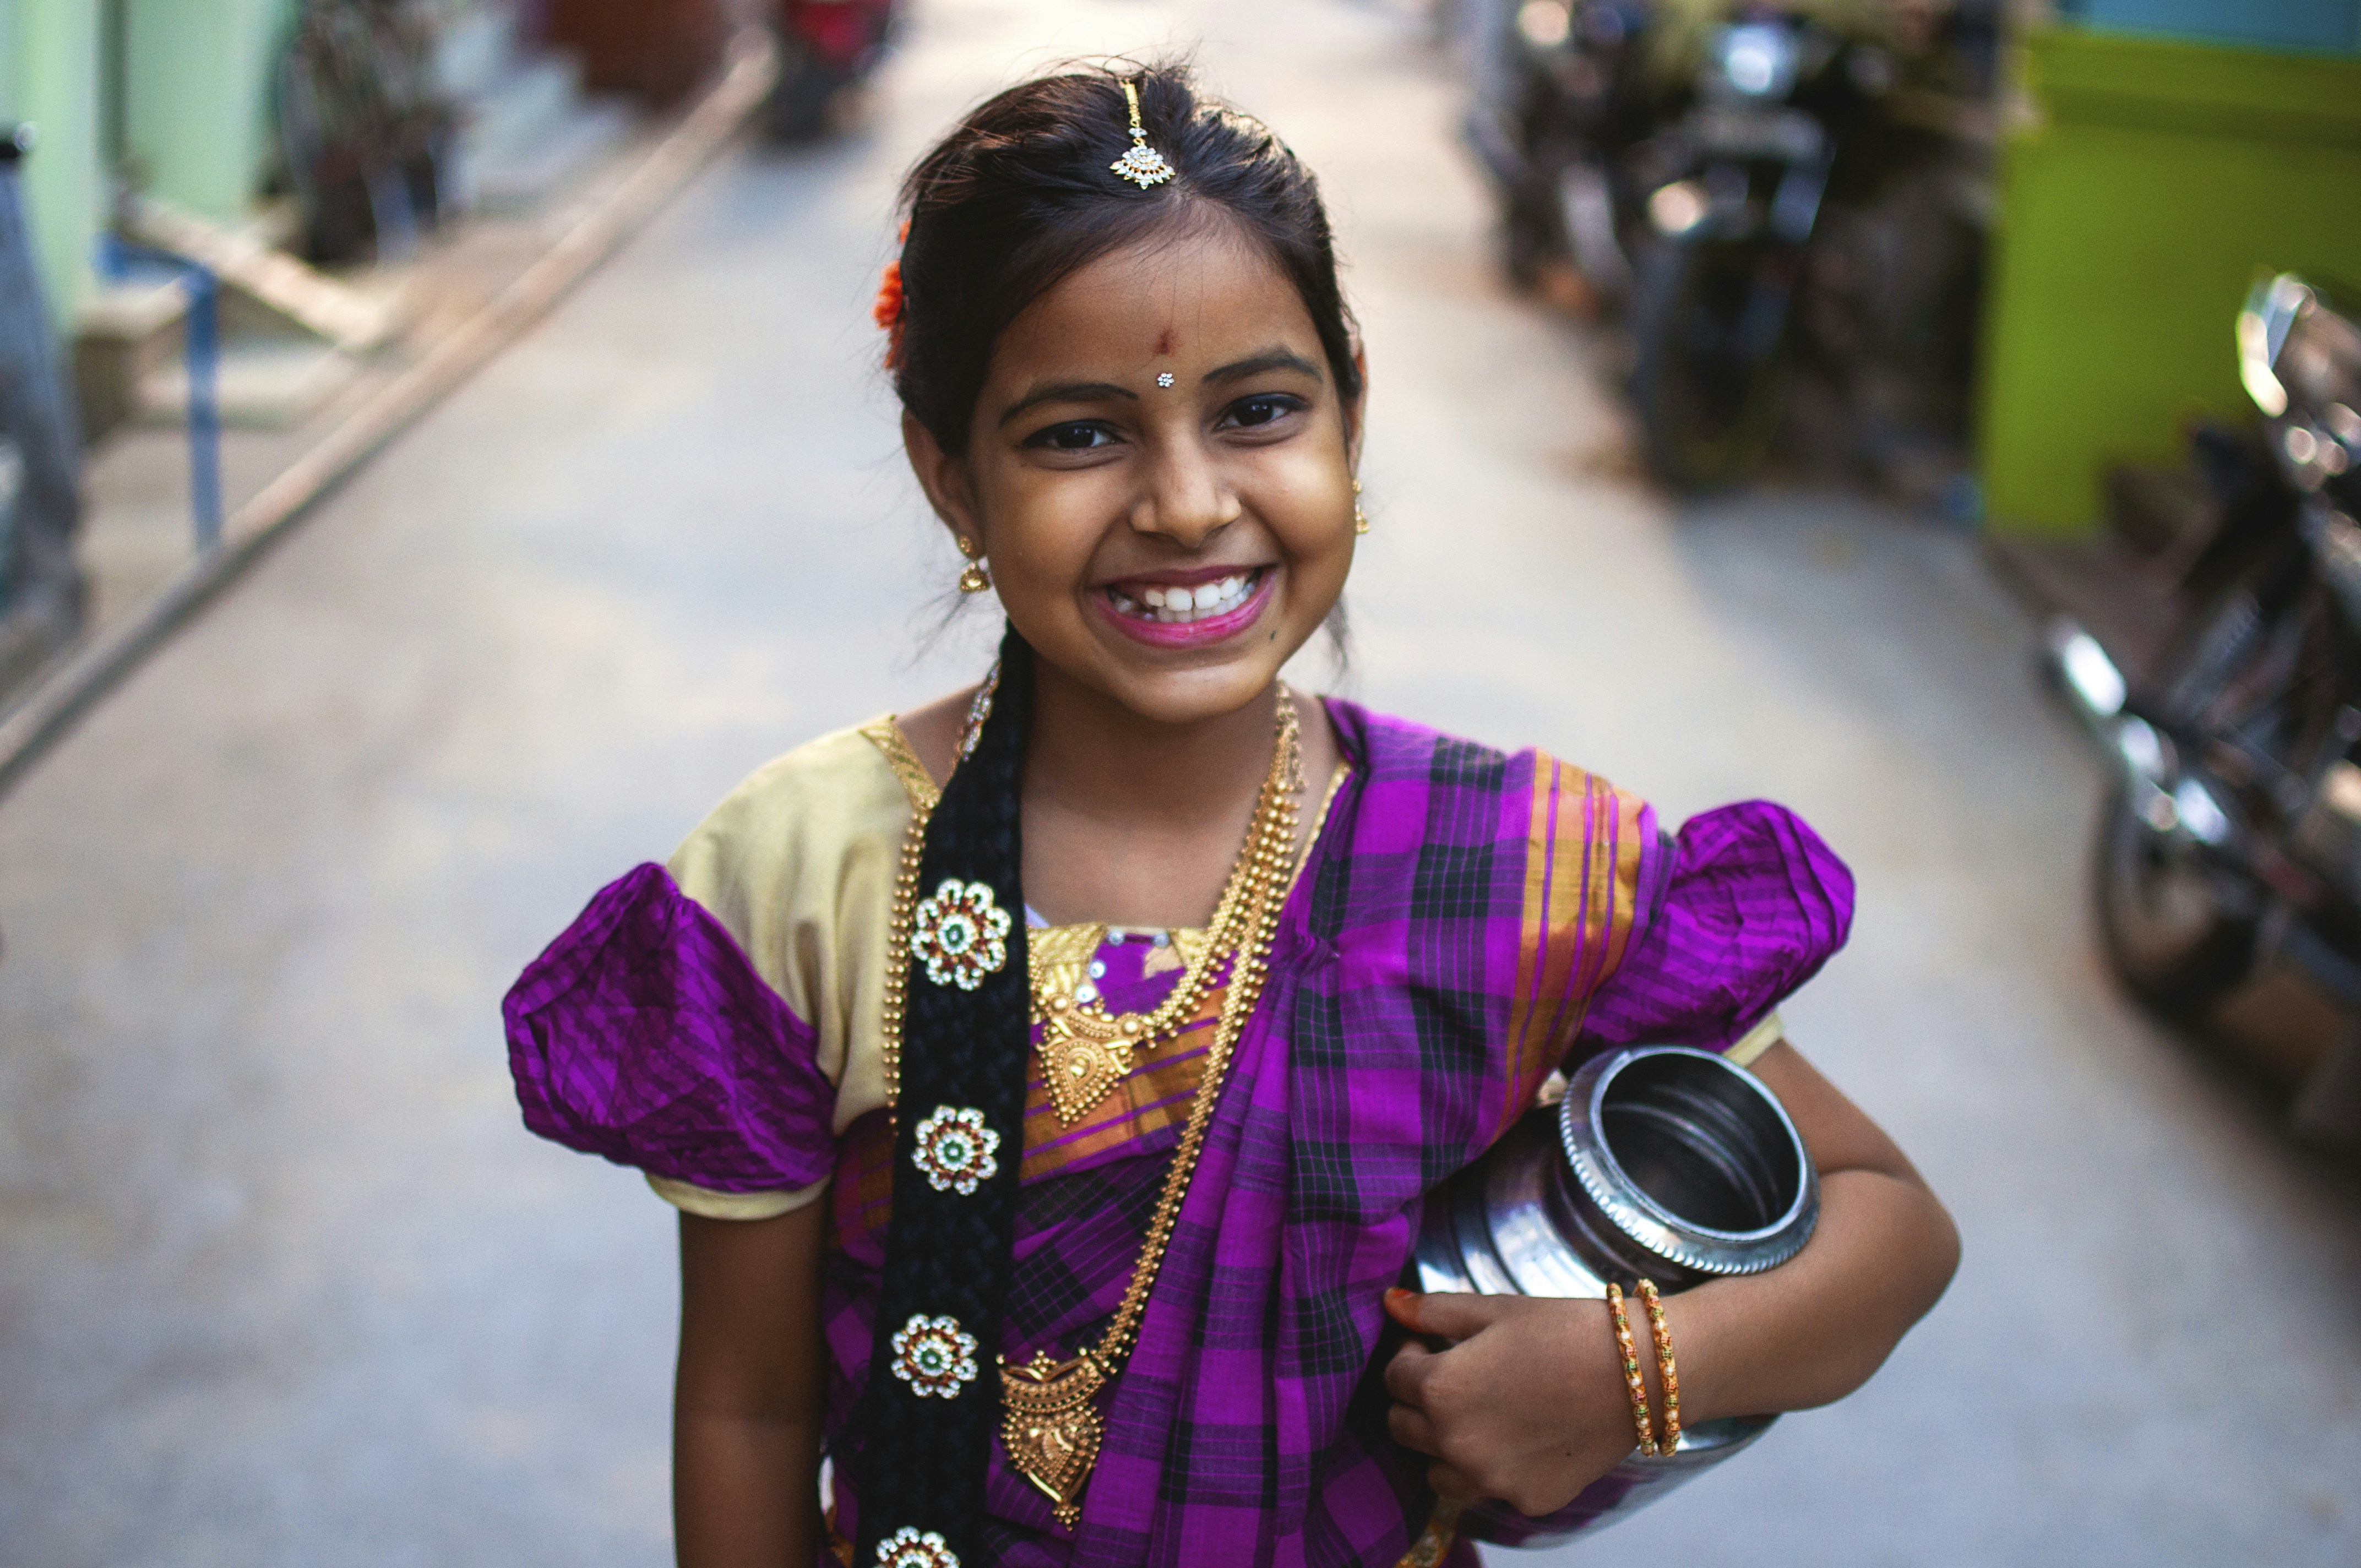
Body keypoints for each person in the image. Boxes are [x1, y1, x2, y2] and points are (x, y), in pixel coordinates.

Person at [504, 62, 1958, 1568]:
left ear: (1353, 412)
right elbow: (746, 1417)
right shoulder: (798, 879)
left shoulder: (1522, 871)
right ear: (951, 476)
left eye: (1260, 409)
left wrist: (1635, 1377)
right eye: (1079, 434)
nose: (1189, 503)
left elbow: (1892, 1231)